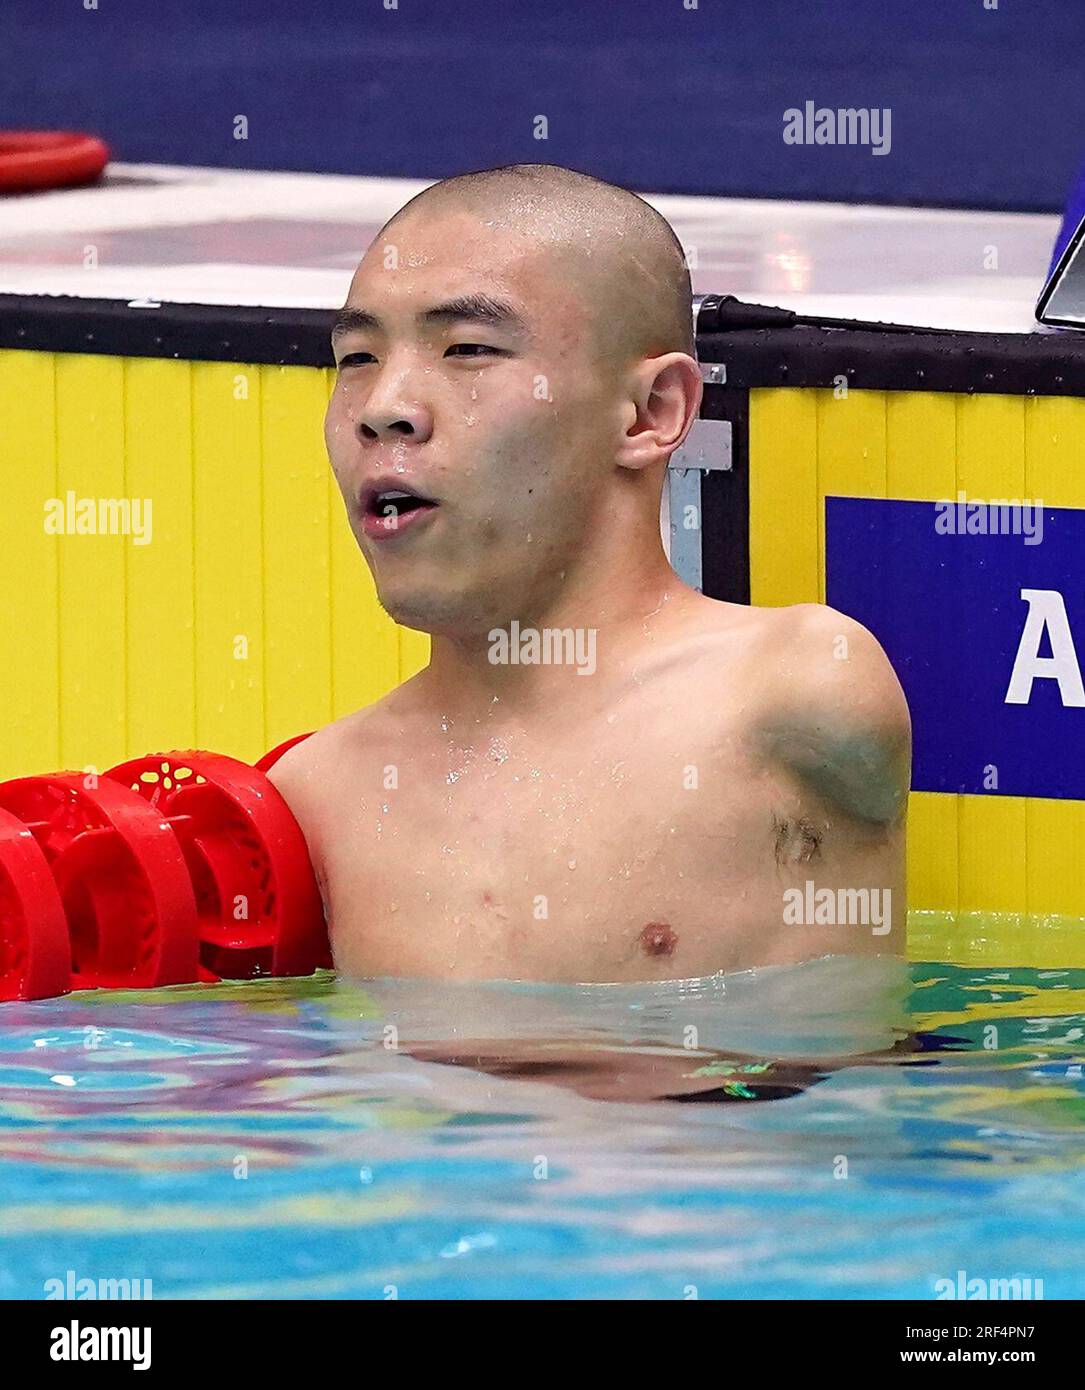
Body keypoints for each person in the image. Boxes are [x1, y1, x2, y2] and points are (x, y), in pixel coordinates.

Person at [269, 162, 911, 984]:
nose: (382, 405)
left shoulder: (791, 695)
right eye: (356, 357)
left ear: (652, 413)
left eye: (466, 349)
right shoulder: (318, 796)